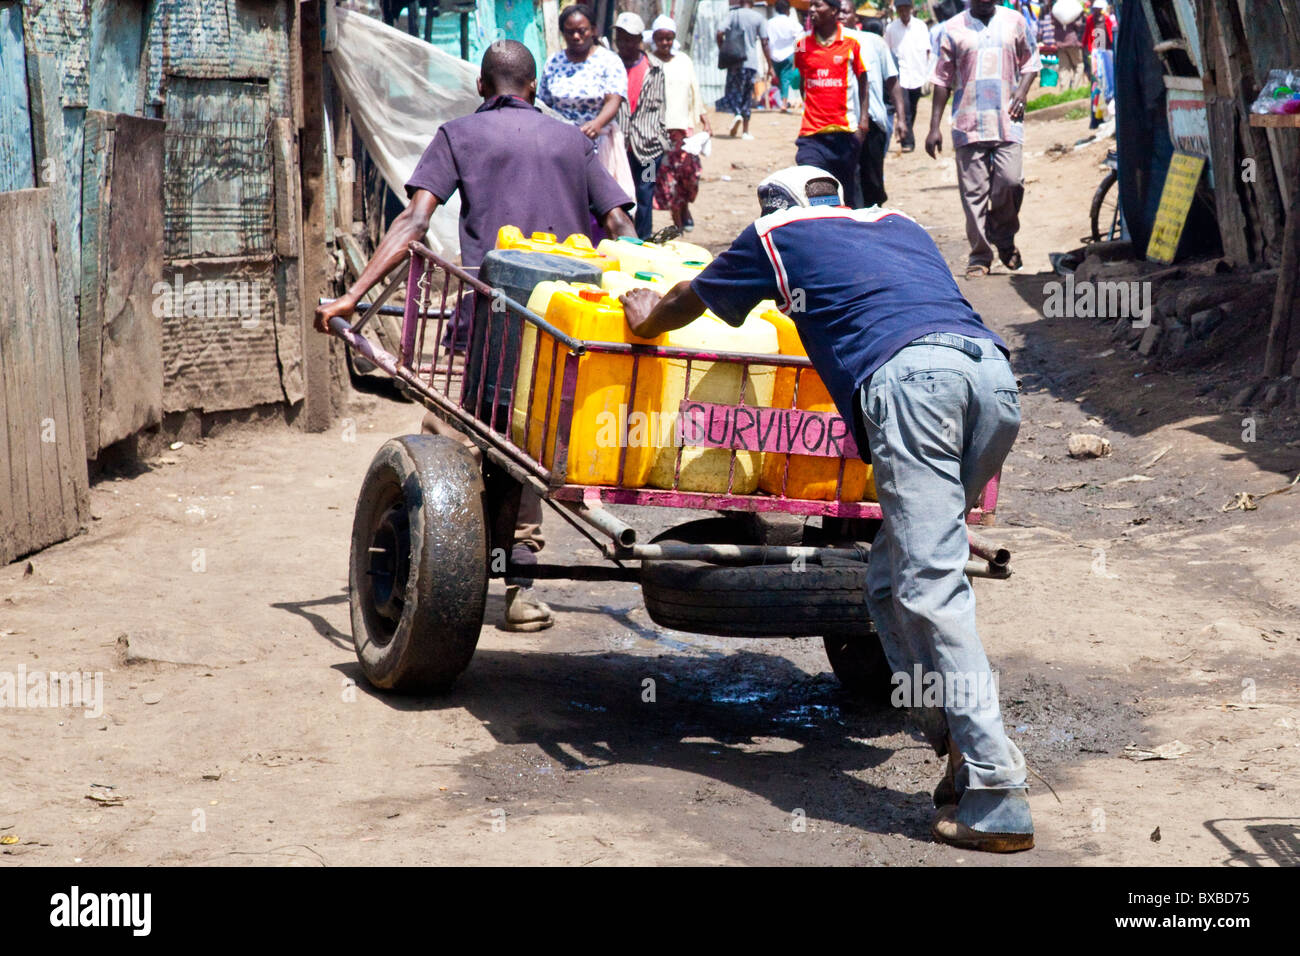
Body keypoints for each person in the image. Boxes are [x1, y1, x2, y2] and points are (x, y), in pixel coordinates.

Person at [617, 165, 1032, 853]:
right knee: (887, 583)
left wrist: (645, 317)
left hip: (913, 387)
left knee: (931, 587)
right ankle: (958, 747)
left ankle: (997, 792)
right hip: (991, 380)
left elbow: (691, 298)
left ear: (773, 204)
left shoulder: (777, 231)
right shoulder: (897, 225)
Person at [314, 40, 636, 631]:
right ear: (534, 88)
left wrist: (352, 296)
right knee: (529, 444)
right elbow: (619, 223)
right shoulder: (573, 140)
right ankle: (519, 589)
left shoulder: (459, 133)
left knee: (449, 438)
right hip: (562, 324)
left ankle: (430, 570)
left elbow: (413, 221)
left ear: (483, 88)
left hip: (488, 317)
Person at [926, 0, 1040, 278]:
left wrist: (1023, 91)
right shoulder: (952, 29)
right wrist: (934, 126)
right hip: (968, 121)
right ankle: (980, 255)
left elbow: (1031, 62)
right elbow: (942, 80)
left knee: (1011, 181)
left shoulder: (1015, 21)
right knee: (973, 195)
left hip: (1007, 119)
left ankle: (1003, 237)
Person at [540, 4, 634, 207]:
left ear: (593, 30)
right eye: (569, 32)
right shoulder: (553, 62)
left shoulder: (609, 61)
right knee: (564, 201)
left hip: (597, 144)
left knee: (600, 202)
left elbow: (614, 100)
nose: (576, 36)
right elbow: (543, 103)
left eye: (581, 31)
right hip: (560, 146)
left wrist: (596, 124)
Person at [792, 0, 869, 204]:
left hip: (844, 135)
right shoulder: (801, 44)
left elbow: (863, 80)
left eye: (818, 6)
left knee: (845, 195)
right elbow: (802, 80)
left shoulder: (852, 41)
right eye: (811, 6)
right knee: (812, 185)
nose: (812, 10)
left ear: (833, 10)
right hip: (812, 135)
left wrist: (863, 122)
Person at [838, 0, 907, 207]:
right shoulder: (824, 45)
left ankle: (872, 223)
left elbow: (892, 80)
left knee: (872, 184)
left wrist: (901, 119)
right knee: (848, 182)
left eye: (845, 11)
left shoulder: (873, 42)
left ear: (854, 17)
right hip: (839, 125)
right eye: (837, 11)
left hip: (873, 124)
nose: (841, 15)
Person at [649, 15, 711, 232]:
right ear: (654, 38)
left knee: (690, 174)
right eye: (661, 38)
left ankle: (684, 207)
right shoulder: (647, 61)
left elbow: (695, 91)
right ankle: (677, 218)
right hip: (658, 131)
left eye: (669, 38)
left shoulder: (684, 60)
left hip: (683, 130)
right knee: (668, 178)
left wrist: (704, 118)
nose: (665, 43)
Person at [613, 11, 668, 239]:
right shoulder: (610, 65)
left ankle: (644, 241)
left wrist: (660, 137)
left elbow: (661, 107)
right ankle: (622, 239)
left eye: (631, 38)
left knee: (645, 195)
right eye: (621, 38)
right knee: (620, 197)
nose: (626, 44)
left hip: (649, 149)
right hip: (618, 146)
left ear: (639, 40)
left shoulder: (654, 68)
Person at [715, 0, 775, 139]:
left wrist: (723, 48)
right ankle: (746, 131)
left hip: (735, 61)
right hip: (751, 63)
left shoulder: (733, 15)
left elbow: (719, 32)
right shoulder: (758, 18)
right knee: (747, 95)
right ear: (752, 2)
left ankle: (736, 114)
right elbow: (765, 42)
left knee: (734, 90)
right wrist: (770, 66)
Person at [884, 0, 933, 151]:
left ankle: (906, 131)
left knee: (913, 107)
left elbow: (927, 51)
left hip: (917, 73)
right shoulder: (891, 28)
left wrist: (927, 74)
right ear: (897, 11)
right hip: (900, 74)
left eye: (906, 9)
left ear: (911, 9)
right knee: (904, 108)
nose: (904, 12)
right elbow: (887, 51)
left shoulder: (920, 26)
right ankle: (908, 142)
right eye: (901, 10)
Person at [767, 0, 804, 112]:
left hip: (773, 54)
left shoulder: (770, 22)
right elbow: (800, 37)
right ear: (787, 9)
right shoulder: (792, 23)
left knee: (779, 79)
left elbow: (766, 39)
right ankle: (783, 103)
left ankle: (783, 101)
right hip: (788, 54)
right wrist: (800, 54)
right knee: (785, 79)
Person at [1052, 0, 1085, 89]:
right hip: (1072, 42)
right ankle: (1076, 88)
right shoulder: (1073, 8)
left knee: (1063, 68)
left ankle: (1064, 90)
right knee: (1079, 65)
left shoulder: (1057, 9)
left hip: (1060, 42)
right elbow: (1079, 25)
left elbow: (1053, 23)